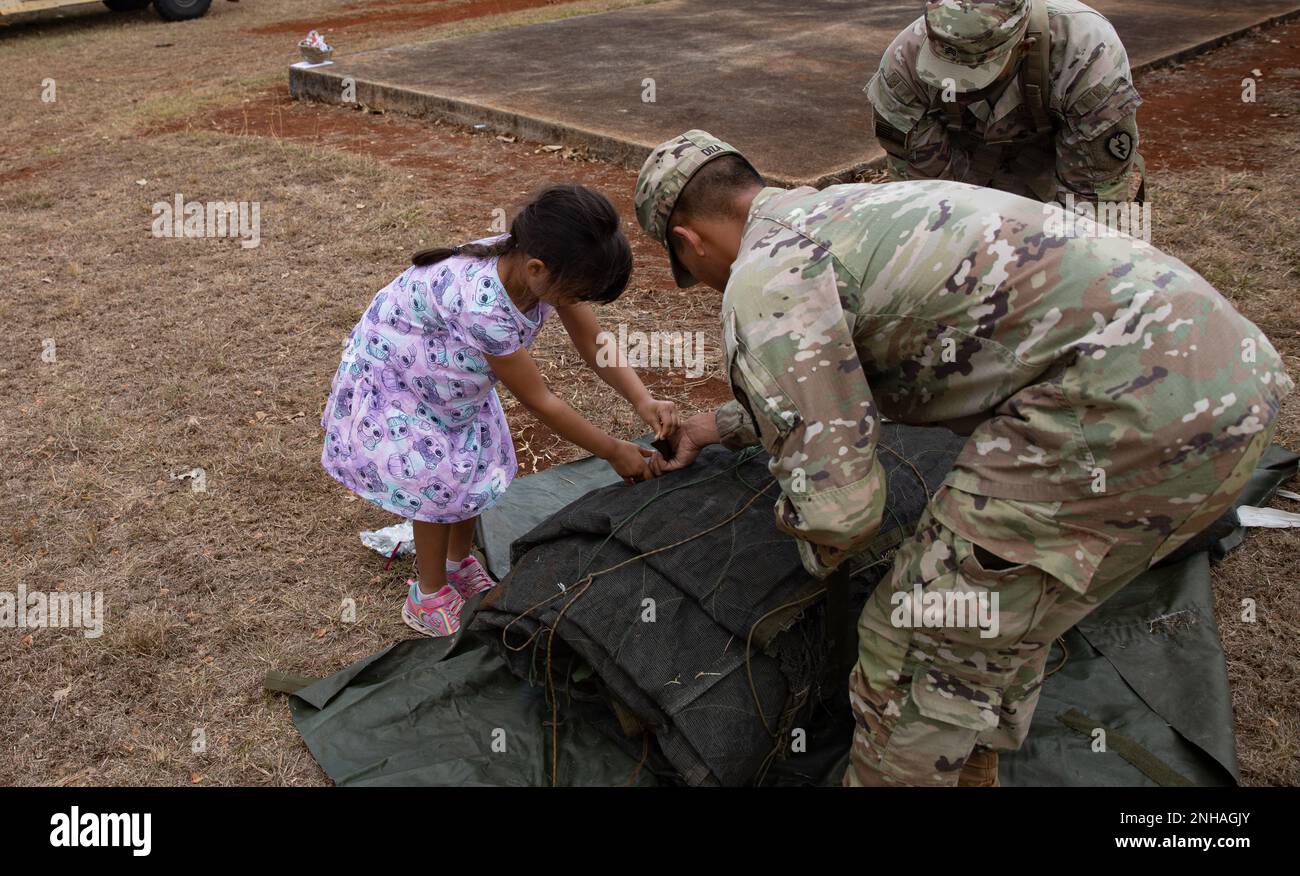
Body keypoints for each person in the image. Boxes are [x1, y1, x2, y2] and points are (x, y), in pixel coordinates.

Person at [636, 129, 1291, 786]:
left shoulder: (764, 275)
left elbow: (840, 514)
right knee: (991, 623)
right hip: (1228, 384)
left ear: (688, 241)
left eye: (692, 273)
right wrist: (718, 425)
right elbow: (834, 368)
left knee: (918, 638)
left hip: (1123, 411)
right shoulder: (840, 213)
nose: (704, 284)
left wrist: (796, 534)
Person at [322, 184, 677, 637]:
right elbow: (539, 399)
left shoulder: (539, 264)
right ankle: (427, 595)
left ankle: (456, 563)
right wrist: (611, 450)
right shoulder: (485, 307)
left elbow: (593, 341)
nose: (574, 302)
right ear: (537, 269)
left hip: (451, 383)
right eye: (577, 293)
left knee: (472, 464)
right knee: (435, 484)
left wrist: (642, 397)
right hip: (402, 384)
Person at [865, 0, 1145, 204]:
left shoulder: (1089, 58)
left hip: (1050, 156)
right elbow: (920, 188)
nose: (955, 84)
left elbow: (1090, 199)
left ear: (1023, 49)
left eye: (973, 73)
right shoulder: (904, 64)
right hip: (961, 153)